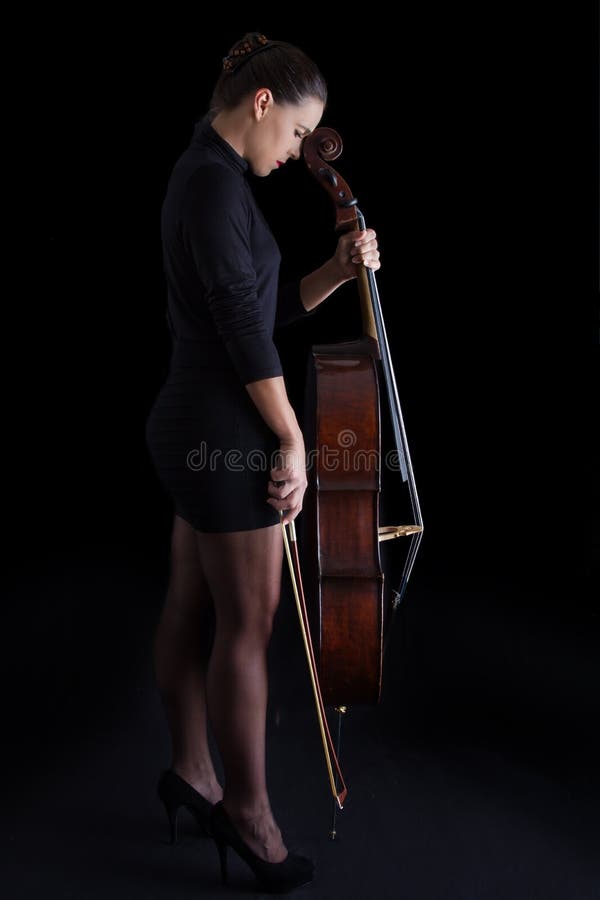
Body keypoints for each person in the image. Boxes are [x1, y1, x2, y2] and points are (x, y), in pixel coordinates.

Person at [144, 31, 380, 894]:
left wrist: (336, 270)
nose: (297, 152)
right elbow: (243, 329)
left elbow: (262, 304)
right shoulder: (212, 185)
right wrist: (291, 438)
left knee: (191, 603)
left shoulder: (210, 176)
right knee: (248, 623)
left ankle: (191, 771)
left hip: (194, 421)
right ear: (262, 102)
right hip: (221, 428)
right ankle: (248, 815)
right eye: (297, 132)